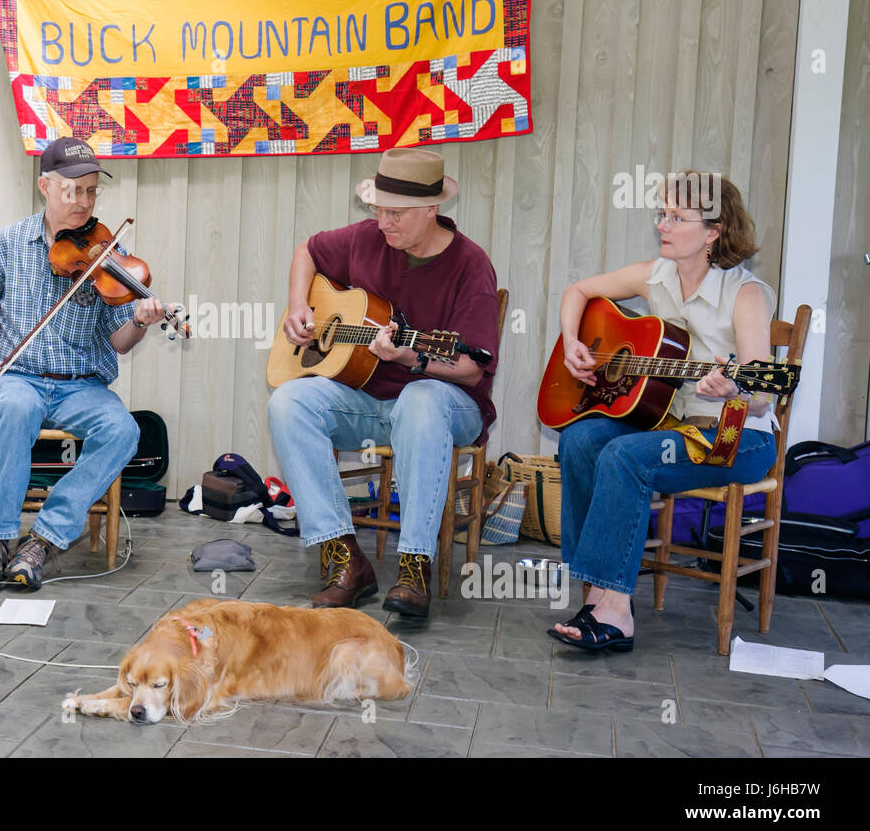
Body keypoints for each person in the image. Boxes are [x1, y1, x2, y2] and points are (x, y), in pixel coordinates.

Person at [550, 171, 778, 652]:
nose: (662, 225)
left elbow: (761, 397)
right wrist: (572, 343)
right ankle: (596, 593)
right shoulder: (655, 275)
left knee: (624, 455)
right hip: (670, 426)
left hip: (736, 437)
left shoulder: (746, 294)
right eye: (662, 214)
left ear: (714, 232)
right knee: (580, 439)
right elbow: (578, 291)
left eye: (677, 217)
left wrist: (732, 388)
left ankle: (615, 612)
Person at [267, 148, 501, 617]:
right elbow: (308, 250)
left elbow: (472, 368)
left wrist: (411, 357)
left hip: (446, 405)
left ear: (431, 209)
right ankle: (344, 557)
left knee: (420, 397)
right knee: (288, 402)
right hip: (369, 401)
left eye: (396, 213)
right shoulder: (366, 238)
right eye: (379, 210)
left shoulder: (471, 265)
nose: (383, 222)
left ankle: (414, 566)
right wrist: (298, 306)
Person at [0, 137, 164, 589]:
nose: (84, 202)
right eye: (73, 190)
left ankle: (44, 539)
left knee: (123, 430)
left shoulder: (105, 254)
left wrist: (141, 321)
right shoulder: (9, 242)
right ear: (45, 187)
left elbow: (120, 342)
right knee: (14, 407)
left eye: (91, 191)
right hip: (20, 378)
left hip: (82, 386)